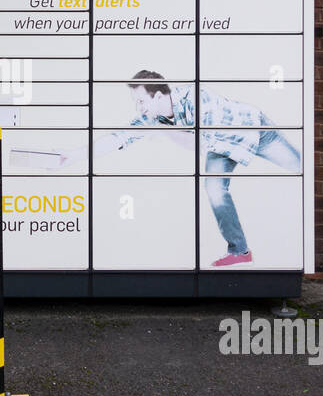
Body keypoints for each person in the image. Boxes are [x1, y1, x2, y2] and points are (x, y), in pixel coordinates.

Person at [76, 71, 301, 267]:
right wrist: (74, 156)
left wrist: (161, 129)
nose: (139, 108)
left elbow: (200, 144)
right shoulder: (153, 115)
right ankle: (240, 251)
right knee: (213, 188)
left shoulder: (195, 98)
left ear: (157, 95)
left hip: (252, 130)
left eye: (141, 101)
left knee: (296, 165)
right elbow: (119, 137)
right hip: (221, 147)